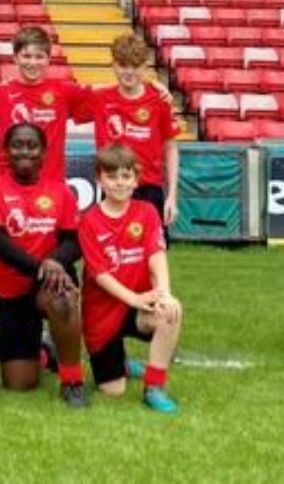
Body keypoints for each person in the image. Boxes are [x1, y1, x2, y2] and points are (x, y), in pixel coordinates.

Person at [0, 123, 89, 408]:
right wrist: (41, 265)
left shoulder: (60, 191)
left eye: (32, 145)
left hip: (50, 281)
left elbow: (75, 241)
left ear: (44, 153)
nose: (24, 151)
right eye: (17, 145)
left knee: (62, 299)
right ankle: (46, 351)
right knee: (19, 384)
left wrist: (54, 262)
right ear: (5, 152)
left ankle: (72, 381)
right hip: (9, 289)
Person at [78, 144, 184, 414]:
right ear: (99, 180)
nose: (119, 182)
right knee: (113, 391)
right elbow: (100, 275)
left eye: (126, 176)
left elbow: (156, 255)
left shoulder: (147, 211)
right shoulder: (89, 221)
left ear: (136, 180)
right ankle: (120, 364)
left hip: (138, 306)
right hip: (103, 314)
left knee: (171, 311)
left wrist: (164, 292)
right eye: (111, 176)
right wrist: (134, 298)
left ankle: (154, 387)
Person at [0, 25, 92, 181]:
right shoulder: (1, 92)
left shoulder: (63, 91)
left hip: (51, 185)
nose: (32, 63)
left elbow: (104, 96)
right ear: (15, 58)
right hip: (9, 184)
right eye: (26, 56)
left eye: (39, 57)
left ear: (48, 59)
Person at [86, 33, 183, 225]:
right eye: (123, 66)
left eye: (135, 66)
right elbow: (64, 95)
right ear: (113, 65)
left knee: (153, 245)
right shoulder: (99, 99)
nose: (129, 72)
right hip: (112, 188)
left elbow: (171, 148)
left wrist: (172, 196)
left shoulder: (159, 100)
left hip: (149, 190)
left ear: (145, 67)